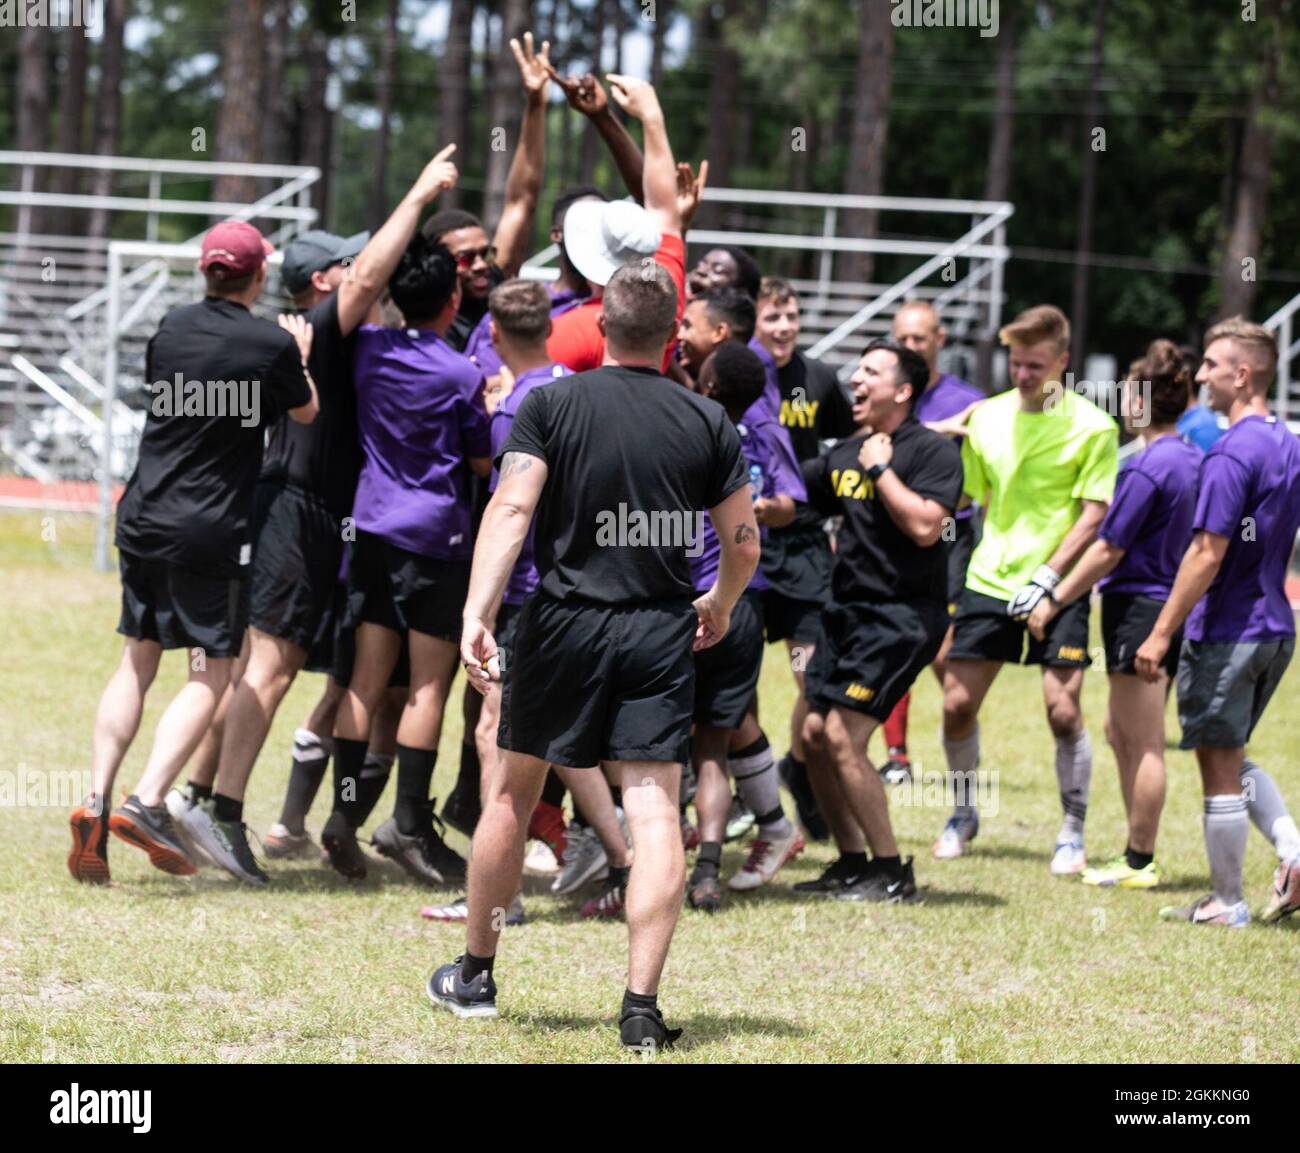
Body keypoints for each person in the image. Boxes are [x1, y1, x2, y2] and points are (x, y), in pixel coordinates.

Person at [427, 223, 758, 1051]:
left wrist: (475, 612)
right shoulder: (708, 420)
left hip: (561, 620)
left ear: (601, 323)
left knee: (512, 794)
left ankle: (476, 974)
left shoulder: (550, 402)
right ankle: (640, 1008)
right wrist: (719, 601)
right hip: (660, 626)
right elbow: (745, 541)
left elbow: (511, 508)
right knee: (655, 810)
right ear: (675, 331)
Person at [167, 148, 463, 883]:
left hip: (305, 515)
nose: (366, 273)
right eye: (350, 266)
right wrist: (419, 194)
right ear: (323, 282)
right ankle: (221, 812)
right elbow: (368, 280)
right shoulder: (322, 330)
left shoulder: (334, 339)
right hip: (299, 514)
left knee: (259, 668)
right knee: (270, 668)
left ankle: (192, 799)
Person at [69, 221, 318, 883]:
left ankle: (96, 799)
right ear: (258, 275)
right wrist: (299, 355)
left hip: (144, 515)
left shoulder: (171, 328)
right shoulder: (270, 343)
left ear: (207, 271)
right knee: (210, 669)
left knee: (138, 655)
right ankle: (148, 801)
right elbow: (305, 412)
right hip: (208, 529)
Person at [318, 235, 491, 886]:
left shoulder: (367, 348)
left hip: (370, 528)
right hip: (436, 540)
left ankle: (342, 815)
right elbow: (481, 461)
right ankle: (411, 823)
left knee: (365, 680)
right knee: (426, 687)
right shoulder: (461, 374)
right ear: (453, 301)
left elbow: (359, 291)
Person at [931, 305, 1117, 874]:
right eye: (1015, 363)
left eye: (1035, 365)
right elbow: (965, 498)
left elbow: (1094, 516)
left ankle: (1072, 832)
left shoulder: (1094, 426)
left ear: (1063, 361)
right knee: (956, 704)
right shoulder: (986, 417)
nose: (1023, 374)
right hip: (989, 578)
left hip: (1058, 584)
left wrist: (1047, 580)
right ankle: (963, 814)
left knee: (1062, 711)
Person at [1134, 317, 1300, 926]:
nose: (1199, 374)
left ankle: (1228, 902)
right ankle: (1293, 855)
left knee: (1217, 765)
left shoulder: (1231, 450)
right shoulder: (1288, 443)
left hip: (1229, 629)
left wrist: (1160, 632)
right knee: (1229, 754)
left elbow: (1207, 552)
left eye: (1210, 364)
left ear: (1243, 374)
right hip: (1275, 627)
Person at [1027, 339, 1202, 889]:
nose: (1123, 403)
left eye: (1128, 394)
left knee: (1143, 739)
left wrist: (1054, 597)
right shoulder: (1193, 459)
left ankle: (1139, 860)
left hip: (1141, 610)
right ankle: (1135, 852)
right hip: (1170, 606)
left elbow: (1107, 548)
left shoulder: (1147, 467)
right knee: (1118, 730)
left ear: (1143, 402)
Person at [797, 341, 964, 902]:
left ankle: (892, 872)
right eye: (857, 370)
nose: (856, 380)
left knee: (843, 735)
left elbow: (927, 527)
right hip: (845, 614)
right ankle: (851, 862)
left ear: (903, 390)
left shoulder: (932, 452)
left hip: (901, 618)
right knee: (814, 735)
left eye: (871, 372)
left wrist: (881, 469)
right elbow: (794, 497)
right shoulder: (844, 452)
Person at [686, 343, 807, 911]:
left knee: (680, 734)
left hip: (693, 600)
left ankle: (628, 853)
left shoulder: (690, 432)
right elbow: (787, 506)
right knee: (713, 738)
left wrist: (752, 509)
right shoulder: (757, 432)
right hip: (740, 601)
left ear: (708, 385)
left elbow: (788, 504)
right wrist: (751, 509)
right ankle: (708, 868)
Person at [750, 277, 857, 843]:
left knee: (812, 674)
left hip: (805, 548)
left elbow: (847, 442)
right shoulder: (736, 375)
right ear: (752, 321)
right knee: (734, 681)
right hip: (743, 545)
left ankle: (798, 765)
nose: (784, 326)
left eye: (790, 315)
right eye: (772, 317)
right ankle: (745, 790)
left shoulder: (818, 378)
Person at [878, 300, 986, 784]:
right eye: (901, 338)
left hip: (948, 532)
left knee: (941, 647)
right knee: (893, 637)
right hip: (887, 529)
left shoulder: (970, 400)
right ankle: (896, 755)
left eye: (918, 338)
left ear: (939, 339)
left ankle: (961, 722)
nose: (909, 346)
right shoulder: (885, 392)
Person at [546, 76, 688, 376]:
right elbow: (663, 208)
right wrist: (651, 115)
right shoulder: (666, 303)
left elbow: (525, 383)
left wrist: (650, 117)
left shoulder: (573, 331)